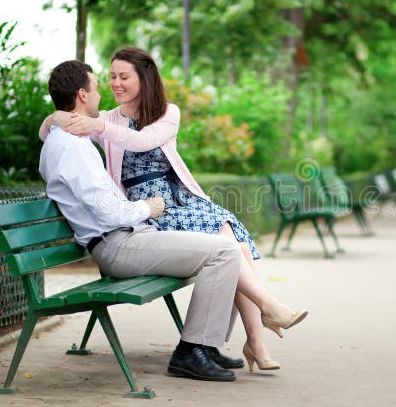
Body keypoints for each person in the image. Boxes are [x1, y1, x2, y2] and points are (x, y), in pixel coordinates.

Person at [39, 47, 307, 372]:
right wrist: (146, 208)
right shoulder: (76, 142)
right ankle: (201, 346)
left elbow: (138, 142)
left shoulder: (103, 130)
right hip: (124, 233)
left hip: (143, 220)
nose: (111, 85)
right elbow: (108, 211)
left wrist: (78, 123)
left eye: (123, 77)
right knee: (224, 252)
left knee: (231, 242)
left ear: (144, 78)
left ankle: (224, 342)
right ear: (83, 94)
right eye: (105, 80)